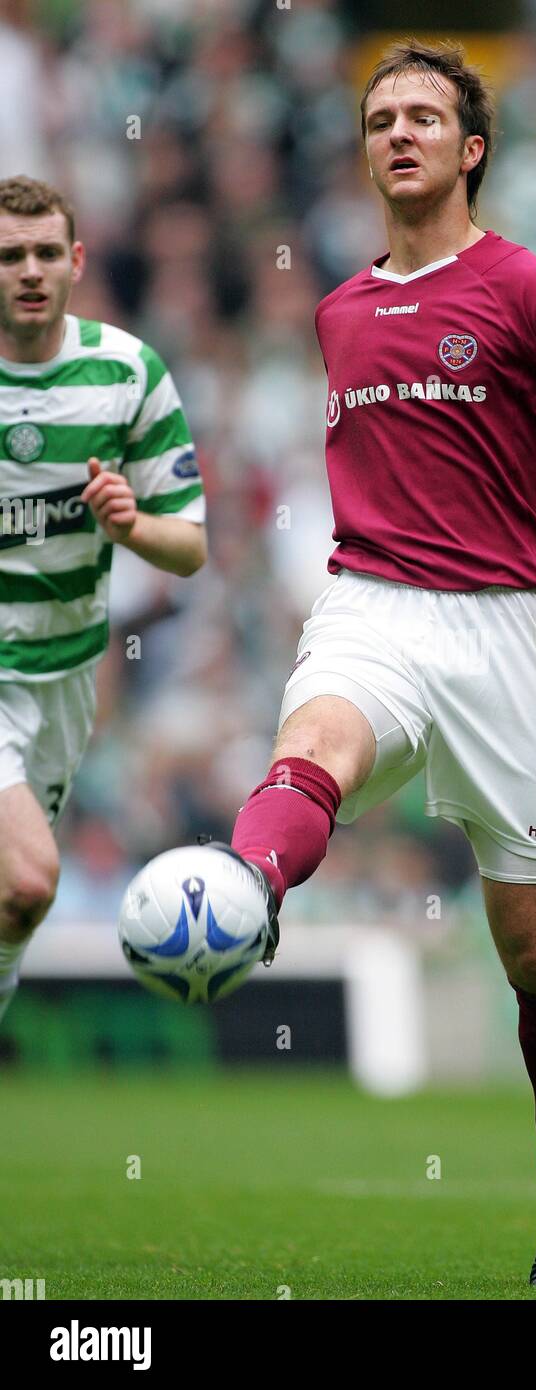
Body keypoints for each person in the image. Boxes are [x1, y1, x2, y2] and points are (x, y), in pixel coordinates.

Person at [213, 40, 536, 1286]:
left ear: (469, 148)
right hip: (372, 604)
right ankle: (244, 893)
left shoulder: (529, 290)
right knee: (308, 745)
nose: (400, 134)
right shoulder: (336, 312)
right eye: (380, 118)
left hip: (513, 632)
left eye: (425, 115)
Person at [0, 175, 207, 1028]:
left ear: (77, 260)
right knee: (30, 876)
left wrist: (132, 525)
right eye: (10, 255)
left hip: (68, 676)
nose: (30, 270)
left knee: (17, 907)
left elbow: (189, 546)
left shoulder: (127, 371)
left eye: (47, 252)